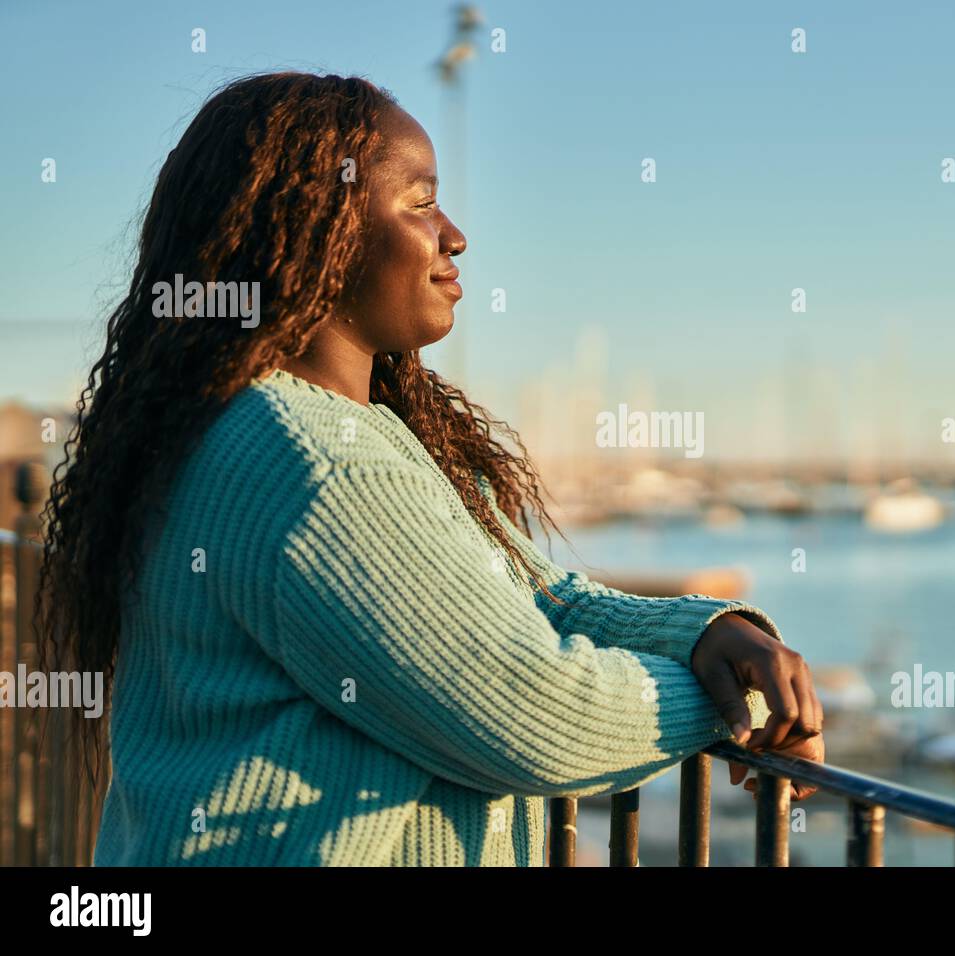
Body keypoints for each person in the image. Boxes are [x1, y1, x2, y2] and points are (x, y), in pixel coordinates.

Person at [37, 71, 824, 866]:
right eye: (419, 202)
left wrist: (703, 631)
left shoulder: (262, 422)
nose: (454, 236)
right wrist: (732, 702)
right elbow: (531, 711)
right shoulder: (315, 465)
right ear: (316, 226)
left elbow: (530, 602)